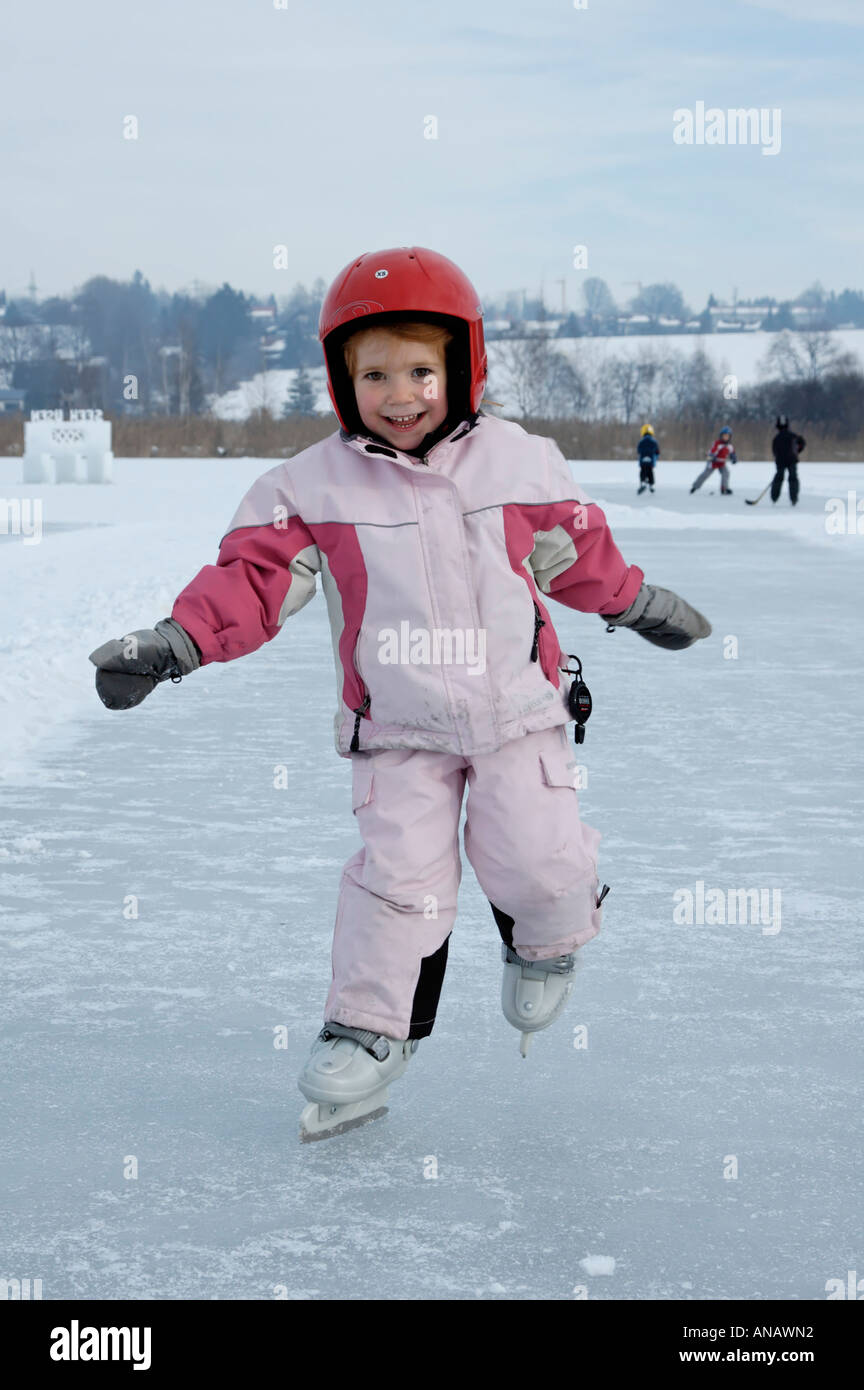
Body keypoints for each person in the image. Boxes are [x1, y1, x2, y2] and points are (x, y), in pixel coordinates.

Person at [88, 247, 712, 1141]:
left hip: (517, 716)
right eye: (374, 373)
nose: (402, 392)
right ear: (344, 382)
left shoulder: (522, 465)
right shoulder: (307, 488)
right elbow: (253, 583)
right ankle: (371, 1034)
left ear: (463, 366)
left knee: (539, 862)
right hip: (396, 733)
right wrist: (176, 643)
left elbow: (579, 559)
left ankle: (548, 938)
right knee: (397, 886)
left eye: (421, 369)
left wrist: (640, 604)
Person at [690, 426, 737, 495]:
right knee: (705, 474)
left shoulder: (729, 445)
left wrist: (734, 458)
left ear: (730, 437)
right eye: (724, 436)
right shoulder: (717, 444)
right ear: (721, 436)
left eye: (727, 436)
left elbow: (732, 453)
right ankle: (695, 487)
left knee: (726, 473)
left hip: (721, 463)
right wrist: (712, 456)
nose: (725, 437)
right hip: (713, 462)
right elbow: (713, 451)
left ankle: (724, 488)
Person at [771, 415, 805, 505]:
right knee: (793, 478)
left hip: (781, 461)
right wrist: (797, 452)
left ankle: (774, 498)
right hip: (792, 460)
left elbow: (774, 451)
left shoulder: (777, 438)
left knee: (779, 478)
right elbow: (802, 443)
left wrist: (778, 457)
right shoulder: (793, 436)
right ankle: (794, 499)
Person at [636, 423, 659, 494]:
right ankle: (651, 484)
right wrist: (656, 459)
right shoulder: (654, 441)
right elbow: (657, 452)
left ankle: (643, 482)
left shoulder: (641, 441)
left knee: (643, 471)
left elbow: (638, 450)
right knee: (650, 472)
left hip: (643, 460)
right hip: (651, 460)